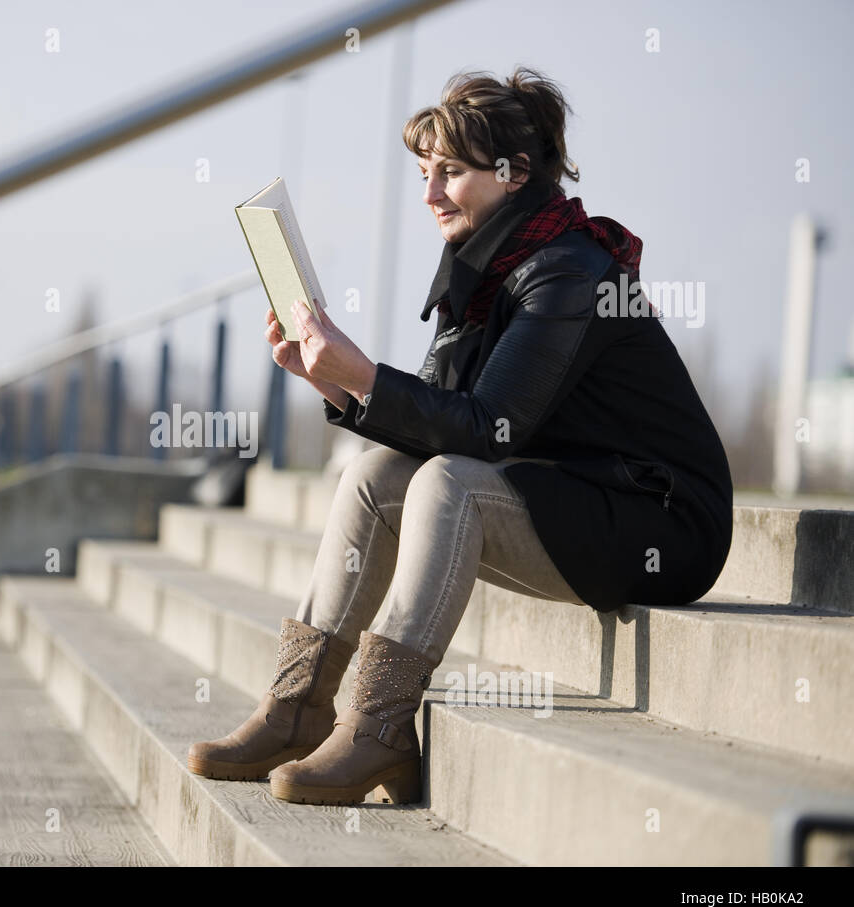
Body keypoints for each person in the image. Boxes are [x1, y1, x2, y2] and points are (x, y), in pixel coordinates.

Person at [187, 66, 734, 806]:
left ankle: (380, 726)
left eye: (449, 172)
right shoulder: (485, 265)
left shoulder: (571, 271)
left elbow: (484, 431)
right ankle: (296, 709)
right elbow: (437, 418)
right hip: (573, 495)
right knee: (377, 476)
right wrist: (336, 381)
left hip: (661, 520)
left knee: (450, 484)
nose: (429, 194)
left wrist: (367, 375)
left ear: (513, 175)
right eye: (423, 172)